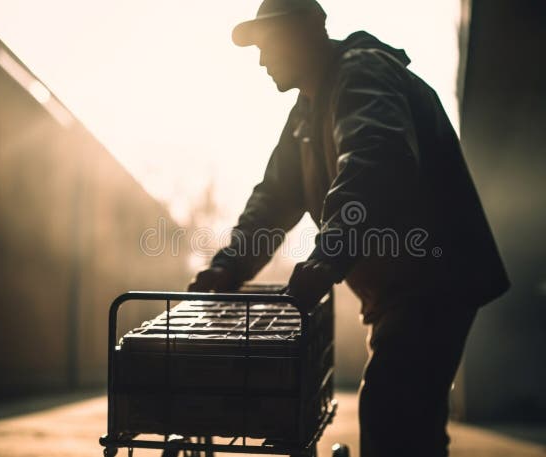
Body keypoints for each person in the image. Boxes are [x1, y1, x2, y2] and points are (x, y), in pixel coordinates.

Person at [188, 1, 510, 455]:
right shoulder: (308, 110)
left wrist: (327, 255)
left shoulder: (361, 73)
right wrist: (228, 267)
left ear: (310, 29)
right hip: (405, 288)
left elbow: (375, 160)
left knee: (392, 410)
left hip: (434, 278)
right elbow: (274, 198)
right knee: (407, 419)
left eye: (270, 42)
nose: (261, 59)